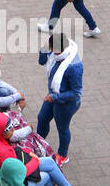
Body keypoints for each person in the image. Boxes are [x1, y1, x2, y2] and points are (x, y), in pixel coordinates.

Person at [0, 112, 95, 186]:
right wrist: (35, 160)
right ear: (1, 132)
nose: (13, 130)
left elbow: (14, 154)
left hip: (6, 174)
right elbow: (20, 174)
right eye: (10, 128)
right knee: (47, 175)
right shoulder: (4, 152)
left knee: (49, 162)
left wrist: (28, 152)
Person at [36, 31, 83, 167]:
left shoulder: (74, 67)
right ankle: (39, 143)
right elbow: (41, 61)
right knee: (42, 118)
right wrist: (43, 49)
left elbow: (76, 92)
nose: (50, 51)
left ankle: (63, 155)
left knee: (62, 127)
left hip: (66, 103)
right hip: (53, 96)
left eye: (50, 48)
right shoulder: (54, 54)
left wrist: (56, 97)